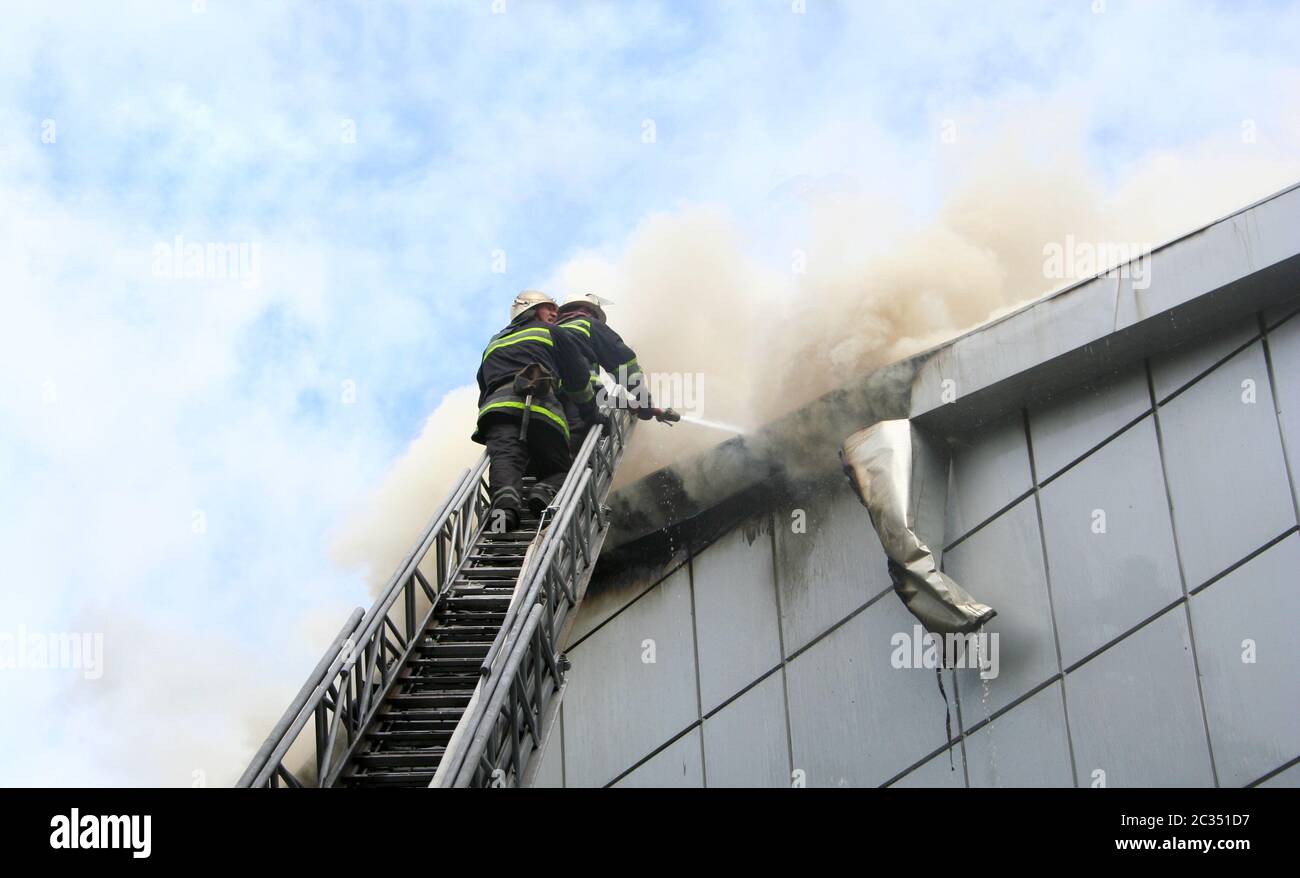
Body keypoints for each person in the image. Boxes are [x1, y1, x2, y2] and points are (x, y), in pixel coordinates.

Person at [472, 290, 602, 531]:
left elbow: (484, 383)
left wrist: (491, 414)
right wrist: (590, 412)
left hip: (499, 412)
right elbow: (578, 377)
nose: (555, 312)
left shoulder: (494, 342)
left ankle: (505, 513)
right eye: (548, 308)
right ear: (529, 310)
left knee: (506, 459)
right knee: (565, 468)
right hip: (544, 411)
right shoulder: (553, 333)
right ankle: (544, 491)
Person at [554, 292, 673, 443]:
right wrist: (644, 400)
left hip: (544, 403)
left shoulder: (548, 331)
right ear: (588, 311)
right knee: (575, 446)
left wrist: (630, 405)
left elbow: (599, 397)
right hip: (576, 403)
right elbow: (624, 366)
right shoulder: (588, 324)